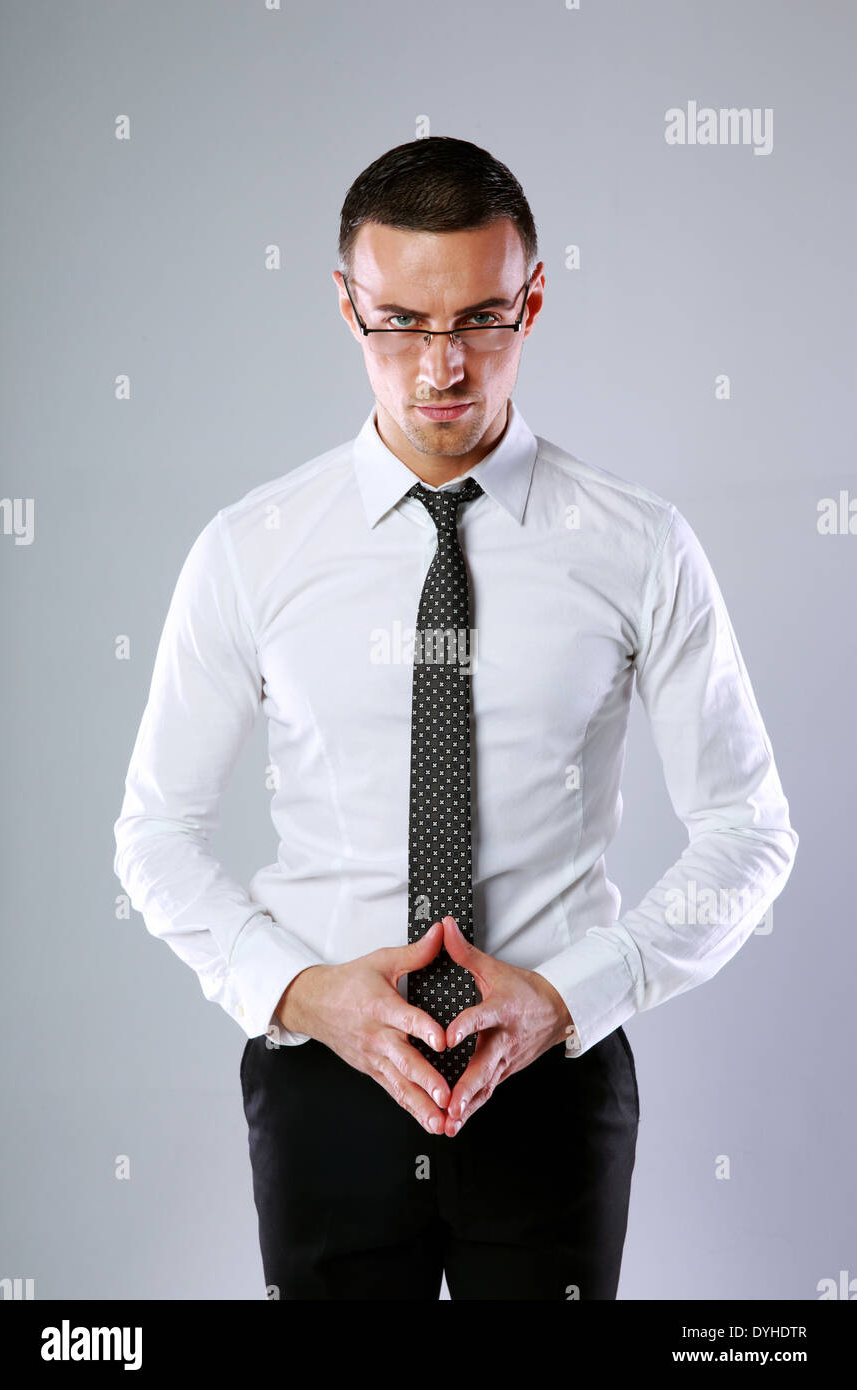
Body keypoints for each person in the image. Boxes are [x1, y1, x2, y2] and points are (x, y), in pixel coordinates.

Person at [112, 136, 798, 1300]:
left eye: (481, 318)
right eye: (399, 323)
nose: (441, 367)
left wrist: (575, 991)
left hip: (552, 1075)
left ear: (532, 301)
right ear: (345, 306)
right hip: (324, 1075)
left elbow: (748, 829)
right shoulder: (251, 550)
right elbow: (153, 836)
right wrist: (295, 990)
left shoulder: (637, 546)